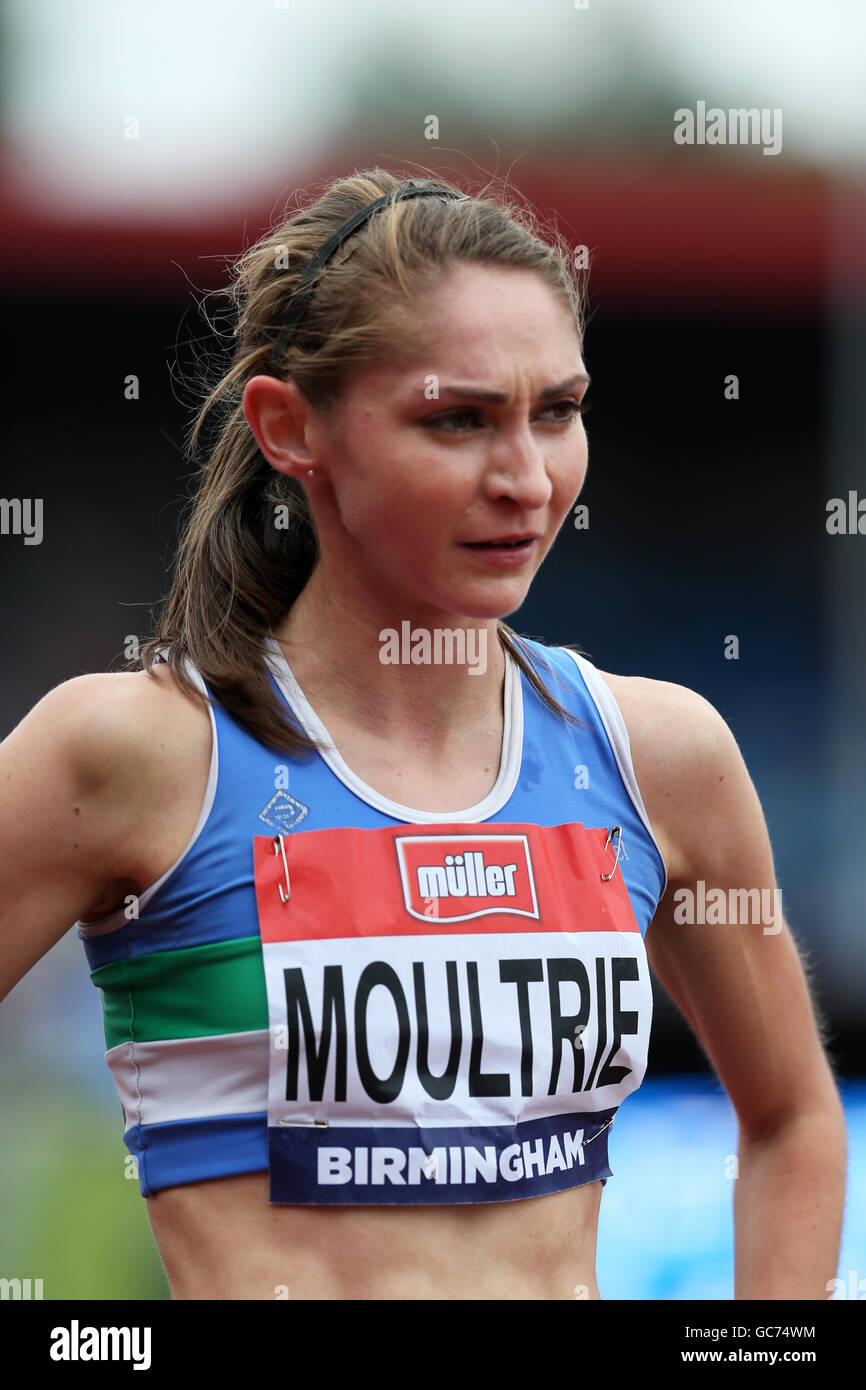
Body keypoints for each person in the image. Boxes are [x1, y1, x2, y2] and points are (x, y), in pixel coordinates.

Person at [0, 168, 846, 1301]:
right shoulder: (135, 752)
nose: (526, 478)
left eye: (556, 410)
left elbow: (792, 1119)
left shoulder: (659, 753)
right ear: (289, 429)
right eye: (457, 419)